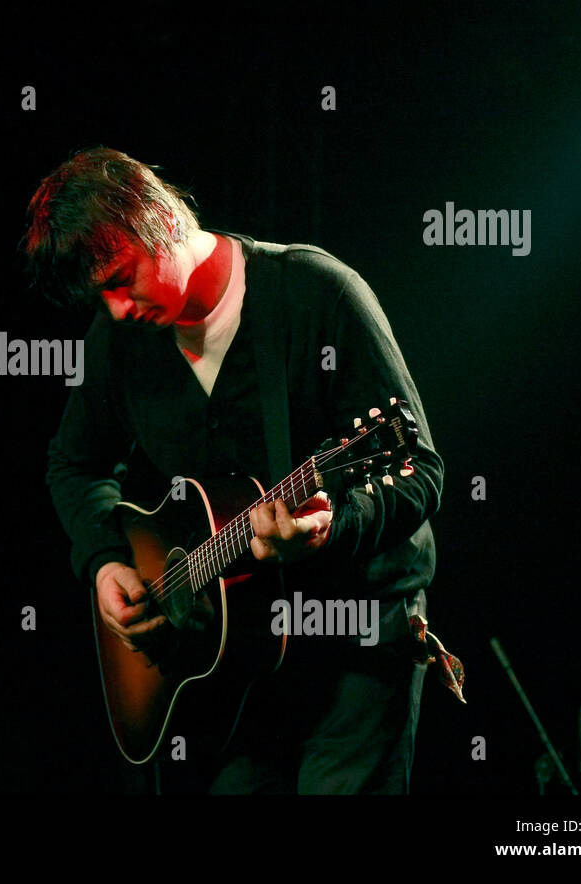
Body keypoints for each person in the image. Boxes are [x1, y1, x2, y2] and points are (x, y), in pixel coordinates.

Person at [23, 147, 446, 793]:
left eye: (119, 278)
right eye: (100, 294)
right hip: (227, 658)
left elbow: (418, 467)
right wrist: (106, 560)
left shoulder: (316, 292)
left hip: (358, 635)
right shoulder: (120, 341)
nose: (115, 309)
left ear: (156, 221)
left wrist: (337, 524)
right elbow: (72, 463)